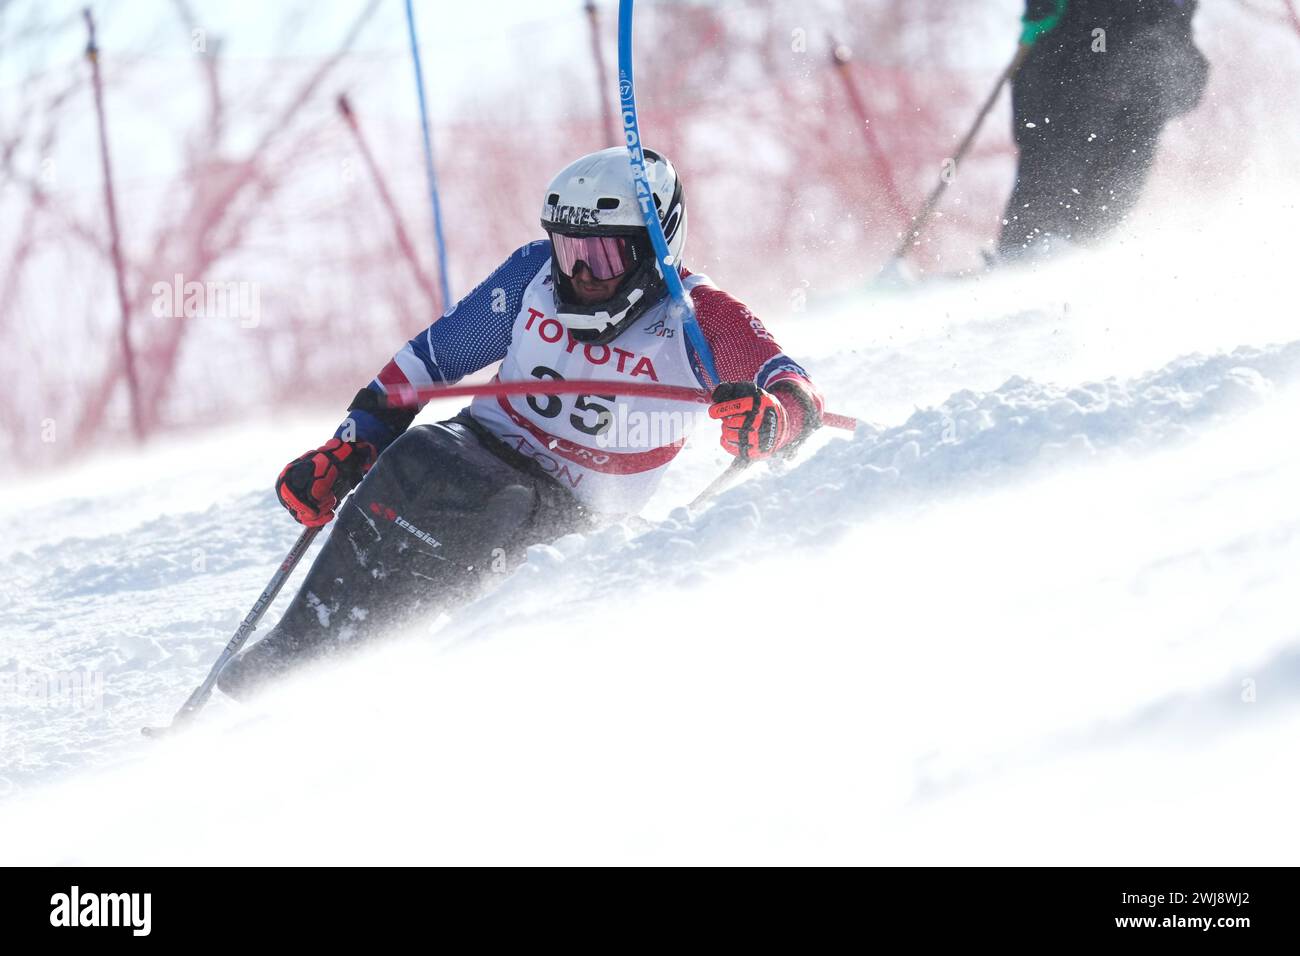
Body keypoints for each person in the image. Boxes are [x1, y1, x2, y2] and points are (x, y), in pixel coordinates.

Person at [217, 147, 825, 698]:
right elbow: (426, 362)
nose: (581, 275)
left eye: (604, 255)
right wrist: (348, 449)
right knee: (412, 462)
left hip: (574, 512)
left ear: (655, 247)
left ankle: (388, 678)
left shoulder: (697, 316)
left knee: (491, 508)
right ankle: (300, 644)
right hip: (472, 445)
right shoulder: (532, 275)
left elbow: (795, 391)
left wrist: (770, 419)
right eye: (570, 249)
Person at [997, 0, 1209, 259]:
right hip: (1091, 55)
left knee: (1105, 172)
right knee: (1075, 170)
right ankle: (1031, 252)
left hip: (1112, 57)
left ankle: (1048, 252)